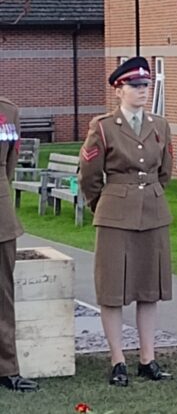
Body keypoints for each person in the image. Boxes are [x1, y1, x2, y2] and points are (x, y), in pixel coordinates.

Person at [78, 57, 175, 386]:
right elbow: (90, 176)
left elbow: (165, 172)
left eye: (145, 85)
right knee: (113, 289)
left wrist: (150, 196)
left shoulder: (160, 125)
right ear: (119, 90)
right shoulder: (103, 127)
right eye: (135, 86)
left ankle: (148, 358)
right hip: (115, 214)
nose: (142, 91)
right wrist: (104, 204)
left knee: (149, 289)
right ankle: (118, 359)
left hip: (153, 212)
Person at [0, 97, 37, 392]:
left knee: (3, 297)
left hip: (0, 217)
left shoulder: (8, 111)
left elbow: (9, 164)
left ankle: (7, 368)